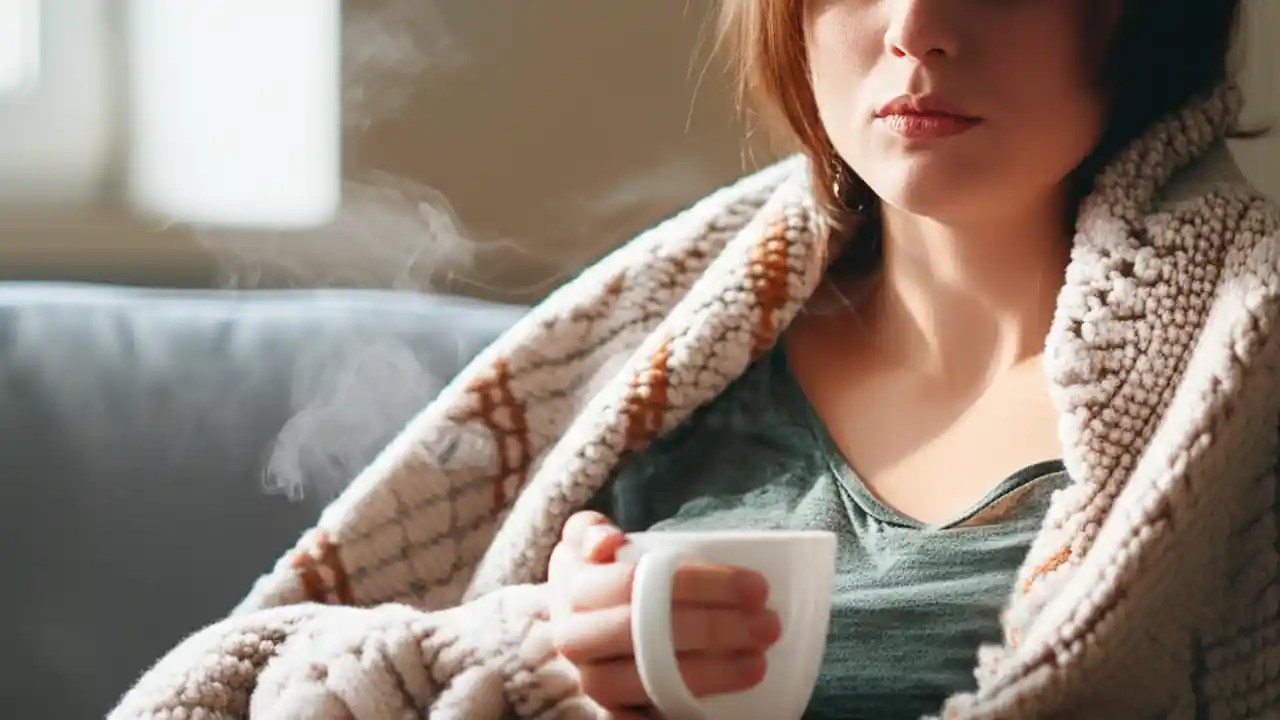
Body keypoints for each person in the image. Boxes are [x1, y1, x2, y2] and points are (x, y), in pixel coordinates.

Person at [113, 1, 1278, 719]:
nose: (914, 22)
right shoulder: (668, 361)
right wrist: (549, 658)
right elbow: (314, 669)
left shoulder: (1245, 373)